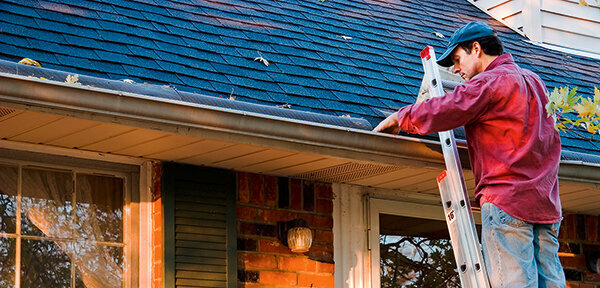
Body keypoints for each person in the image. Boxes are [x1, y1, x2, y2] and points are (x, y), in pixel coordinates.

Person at [374, 21, 565, 287]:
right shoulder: (535, 82)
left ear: (476, 49)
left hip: (507, 203)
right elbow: (553, 137)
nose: (455, 69)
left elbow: (449, 107)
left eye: (457, 59)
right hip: (546, 208)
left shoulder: (491, 82)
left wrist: (400, 117)